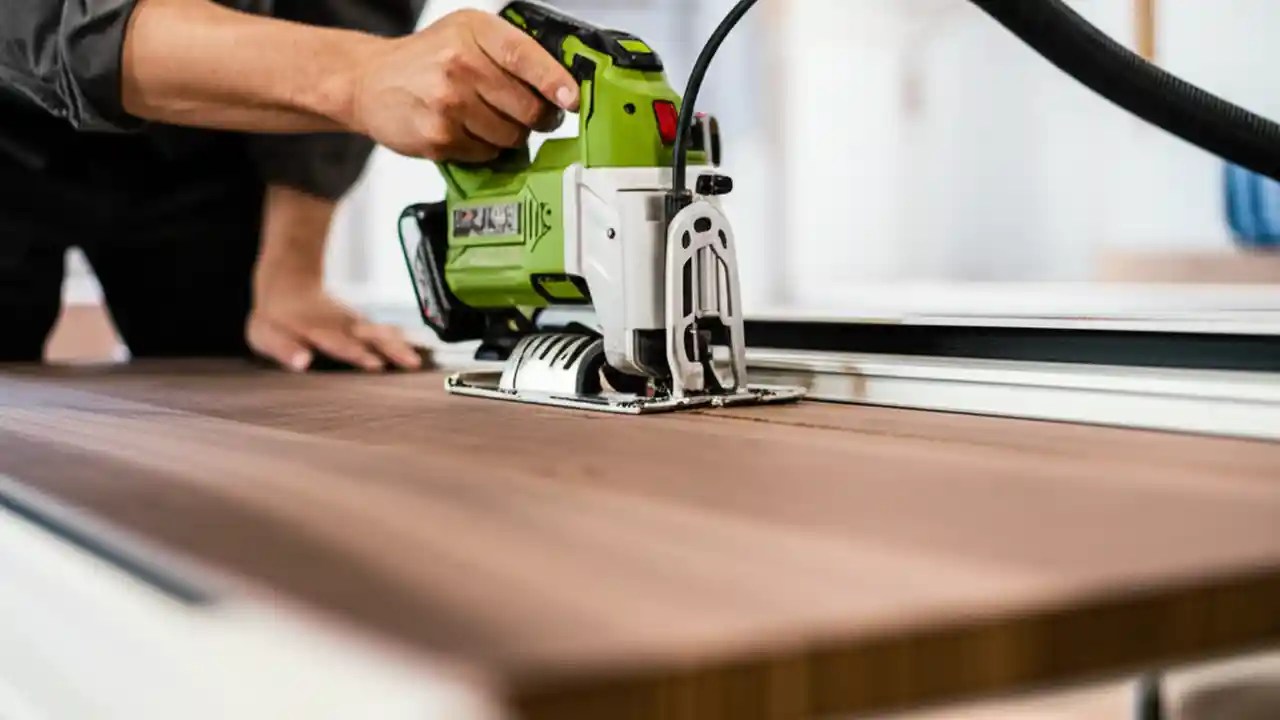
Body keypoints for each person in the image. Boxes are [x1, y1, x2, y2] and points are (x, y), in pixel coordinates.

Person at [0, 0, 579, 371]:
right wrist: (360, 77)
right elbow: (53, 24)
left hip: (213, 136)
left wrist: (292, 274)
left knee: (251, 375)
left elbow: (354, 7)